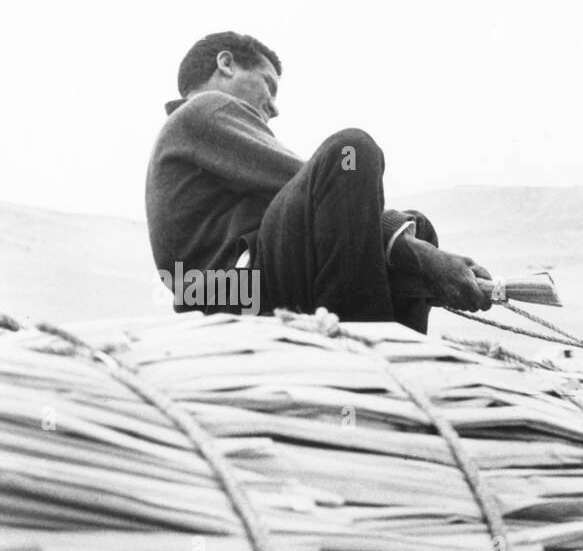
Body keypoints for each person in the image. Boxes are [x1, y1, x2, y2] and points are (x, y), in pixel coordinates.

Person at [146, 31, 491, 331]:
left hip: (231, 289)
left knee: (414, 225)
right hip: (241, 288)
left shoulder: (189, 133)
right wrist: (419, 252)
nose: (275, 107)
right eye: (269, 84)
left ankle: (399, 353)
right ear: (226, 63)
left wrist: (411, 244)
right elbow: (315, 180)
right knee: (350, 152)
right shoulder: (206, 108)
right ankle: (364, 349)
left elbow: (316, 204)